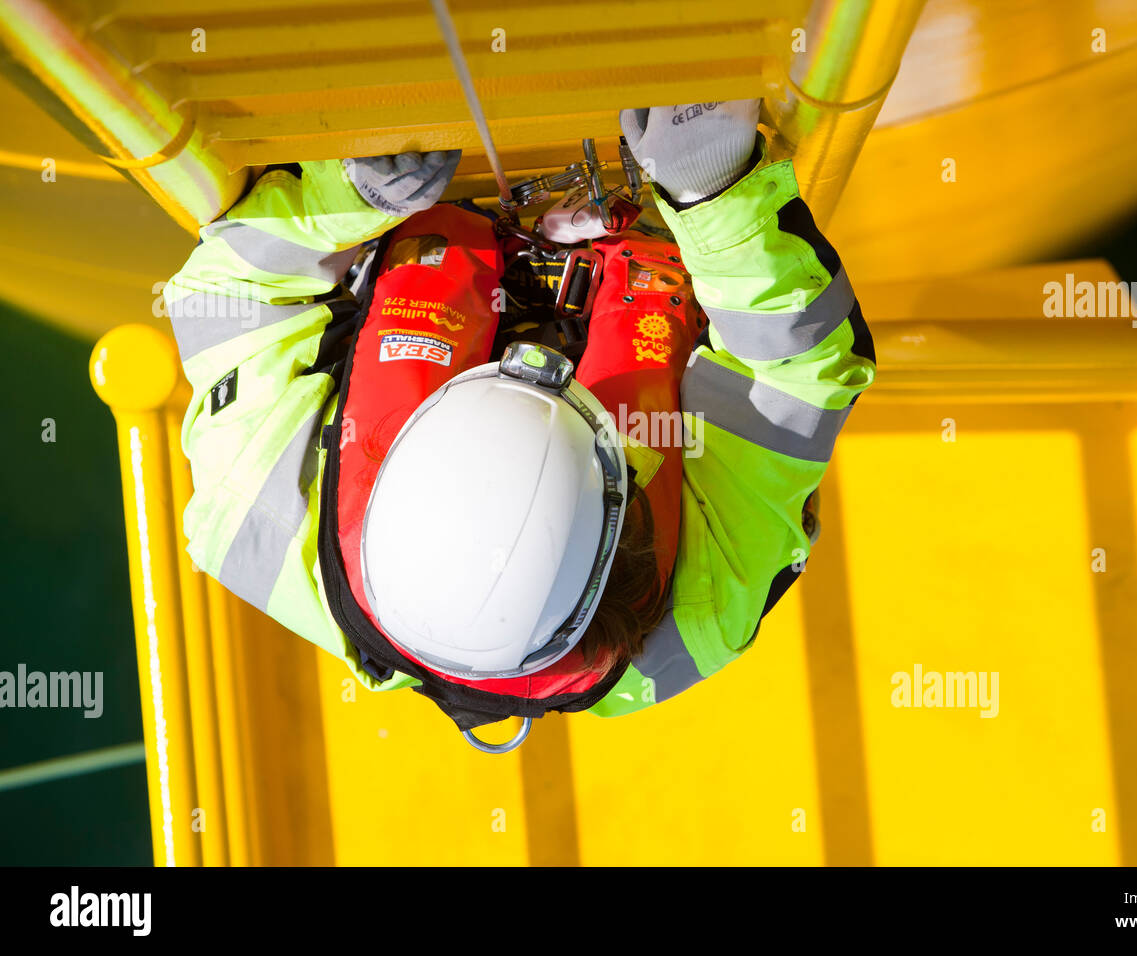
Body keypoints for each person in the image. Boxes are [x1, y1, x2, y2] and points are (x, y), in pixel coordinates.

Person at [163, 100, 876, 741]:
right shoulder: (709, 600)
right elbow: (799, 379)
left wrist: (351, 199)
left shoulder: (252, 516)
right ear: (618, 516)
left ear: (398, 460)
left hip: (423, 209)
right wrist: (713, 192)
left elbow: (224, 297)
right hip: (660, 234)